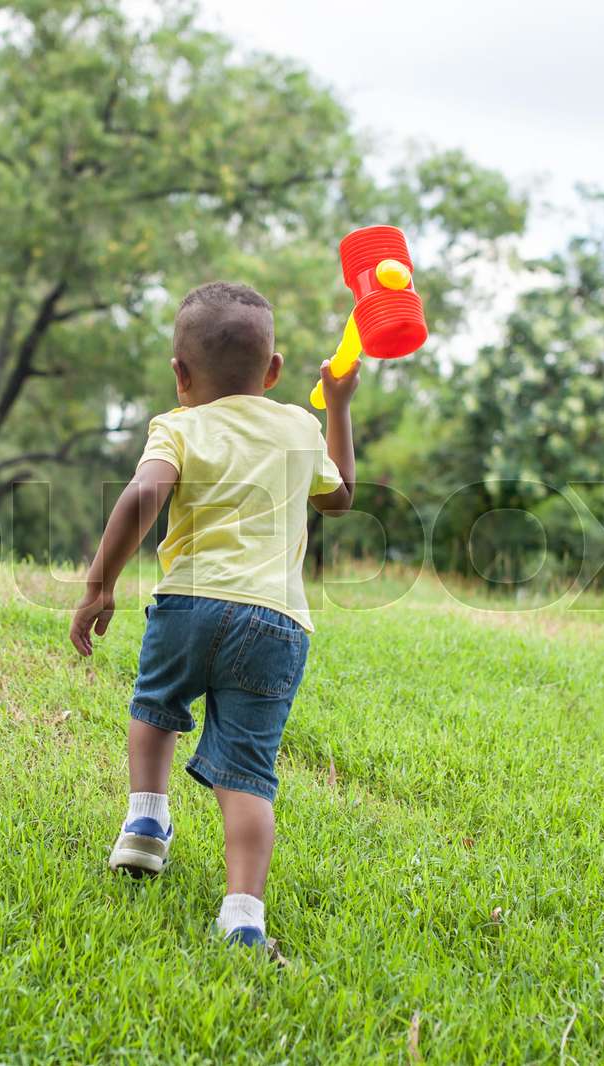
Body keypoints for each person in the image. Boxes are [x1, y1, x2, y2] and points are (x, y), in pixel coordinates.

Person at [69, 281, 358, 960]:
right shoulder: (297, 423)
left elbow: (145, 492)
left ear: (180, 374)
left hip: (188, 606)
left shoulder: (179, 425)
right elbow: (340, 497)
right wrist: (339, 408)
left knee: (156, 704)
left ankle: (145, 819)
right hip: (277, 626)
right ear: (275, 371)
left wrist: (98, 584)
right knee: (249, 771)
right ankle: (243, 916)